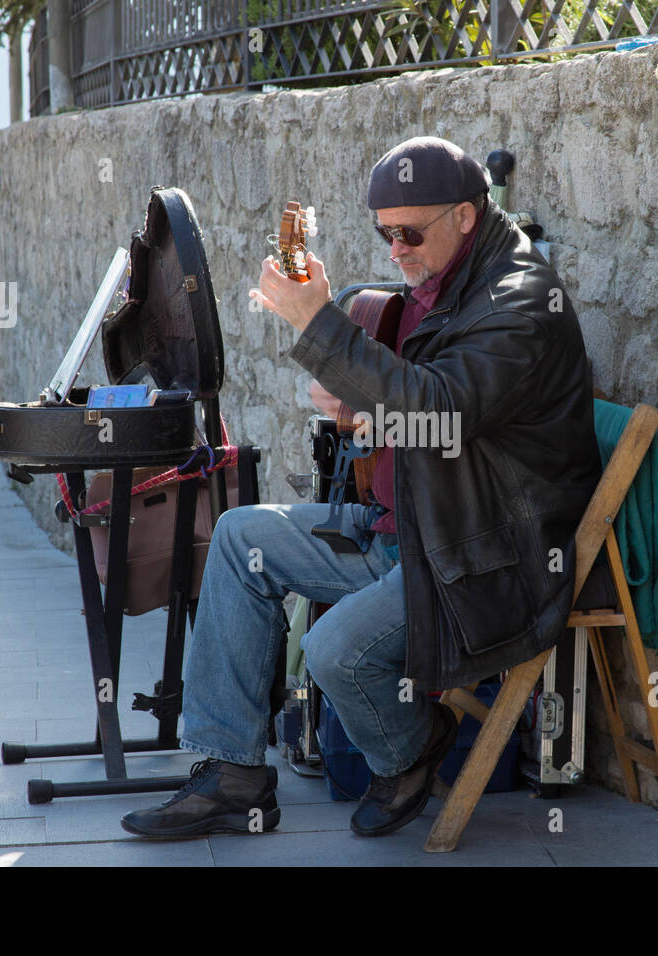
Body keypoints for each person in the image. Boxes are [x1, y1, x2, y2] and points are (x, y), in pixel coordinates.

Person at [121, 136, 600, 840]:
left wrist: (317, 323)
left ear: (467, 216)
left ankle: (412, 748)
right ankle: (233, 775)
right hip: (419, 528)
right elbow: (441, 411)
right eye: (385, 234)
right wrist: (360, 408)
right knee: (238, 536)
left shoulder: (521, 301)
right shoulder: (451, 278)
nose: (397, 251)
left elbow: (437, 408)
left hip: (488, 562)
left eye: (410, 233)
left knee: (333, 647)